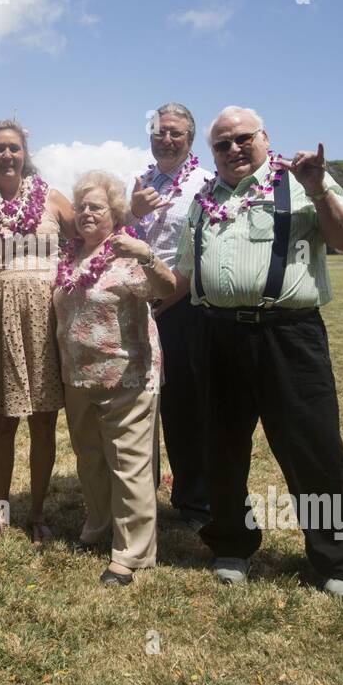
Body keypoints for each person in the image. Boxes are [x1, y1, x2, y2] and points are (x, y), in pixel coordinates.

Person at [176, 105, 343, 600]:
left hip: (290, 335)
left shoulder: (302, 183)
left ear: (265, 137)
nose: (234, 149)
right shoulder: (201, 200)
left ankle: (333, 560)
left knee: (314, 451)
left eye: (243, 138)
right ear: (211, 152)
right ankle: (230, 546)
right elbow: (183, 272)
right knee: (221, 448)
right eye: (223, 143)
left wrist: (320, 188)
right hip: (216, 335)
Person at [52, 170, 175, 586]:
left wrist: (147, 254)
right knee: (90, 458)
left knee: (128, 463)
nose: (87, 214)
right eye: (82, 207)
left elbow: (164, 286)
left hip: (127, 375)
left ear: (115, 213)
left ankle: (132, 553)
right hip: (78, 377)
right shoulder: (69, 256)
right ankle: (99, 523)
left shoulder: (127, 252)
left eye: (96, 207)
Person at [0, 119, 73, 543]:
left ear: (25, 153)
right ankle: (2, 509)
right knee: (2, 423)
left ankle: (39, 512)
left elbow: (88, 242)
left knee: (44, 422)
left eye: (14, 148)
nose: (7, 155)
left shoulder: (53, 198)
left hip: (47, 319)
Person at [129, 102, 211, 531]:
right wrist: (133, 211)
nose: (167, 138)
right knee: (138, 403)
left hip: (181, 307)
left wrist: (170, 295)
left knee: (184, 405)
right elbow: (122, 234)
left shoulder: (206, 183)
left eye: (176, 133)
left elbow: (204, 249)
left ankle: (194, 502)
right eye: (160, 131)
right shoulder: (141, 182)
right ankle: (140, 496)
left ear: (190, 139)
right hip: (137, 305)